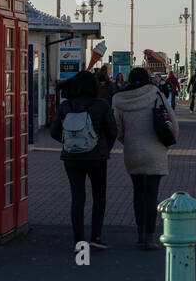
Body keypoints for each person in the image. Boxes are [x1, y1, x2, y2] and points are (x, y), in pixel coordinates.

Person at [48, 71, 118, 249]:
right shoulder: (101, 105)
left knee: (77, 198)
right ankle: (96, 237)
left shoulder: (66, 106)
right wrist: (104, 148)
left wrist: (68, 143)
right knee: (99, 196)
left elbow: (54, 131)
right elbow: (112, 131)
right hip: (97, 157)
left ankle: (79, 241)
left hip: (72, 158)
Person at [111, 66, 179, 250]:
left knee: (138, 193)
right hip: (154, 151)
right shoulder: (156, 94)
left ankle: (140, 234)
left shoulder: (120, 100)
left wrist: (129, 141)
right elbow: (172, 122)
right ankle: (149, 236)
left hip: (132, 152)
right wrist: (167, 140)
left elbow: (117, 130)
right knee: (151, 195)